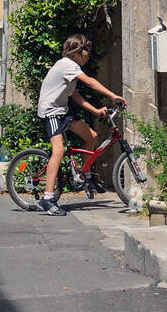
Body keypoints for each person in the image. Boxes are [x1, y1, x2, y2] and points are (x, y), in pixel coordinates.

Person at [36, 34, 124, 216]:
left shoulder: (71, 68)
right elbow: (90, 82)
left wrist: (95, 111)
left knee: (91, 137)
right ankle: (47, 198)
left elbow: (74, 95)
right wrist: (112, 96)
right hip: (51, 111)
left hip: (62, 110)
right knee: (58, 151)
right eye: (86, 52)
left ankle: (87, 178)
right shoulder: (67, 65)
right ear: (77, 52)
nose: (88, 56)